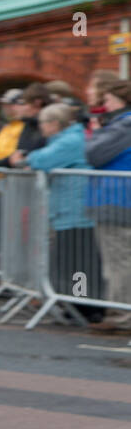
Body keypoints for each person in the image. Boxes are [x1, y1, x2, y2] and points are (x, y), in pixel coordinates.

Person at [15, 103, 106, 324]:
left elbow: (43, 159)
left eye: (43, 124)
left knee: (80, 262)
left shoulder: (70, 141)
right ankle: (78, 303)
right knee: (75, 261)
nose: (41, 128)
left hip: (77, 209)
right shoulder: (68, 138)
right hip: (69, 208)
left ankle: (87, 305)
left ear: (55, 124)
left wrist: (24, 160)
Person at [82, 78, 131, 330]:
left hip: (116, 199)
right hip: (119, 199)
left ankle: (121, 315)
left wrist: (97, 129)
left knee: (119, 260)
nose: (105, 105)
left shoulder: (123, 125)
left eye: (109, 100)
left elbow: (93, 154)